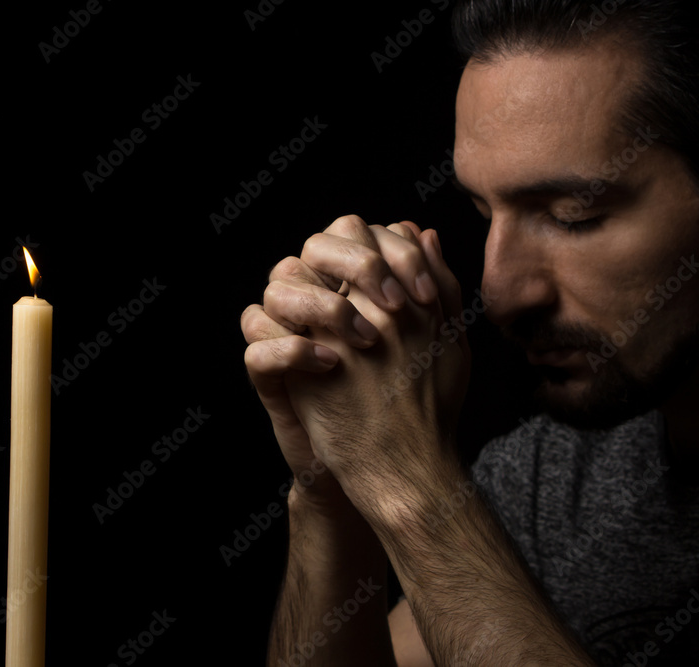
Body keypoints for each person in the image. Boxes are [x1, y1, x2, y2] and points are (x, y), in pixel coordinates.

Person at [241, 1, 699, 665]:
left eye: (573, 215)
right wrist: (333, 483)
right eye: (485, 212)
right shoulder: (552, 475)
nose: (501, 288)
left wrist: (408, 481)